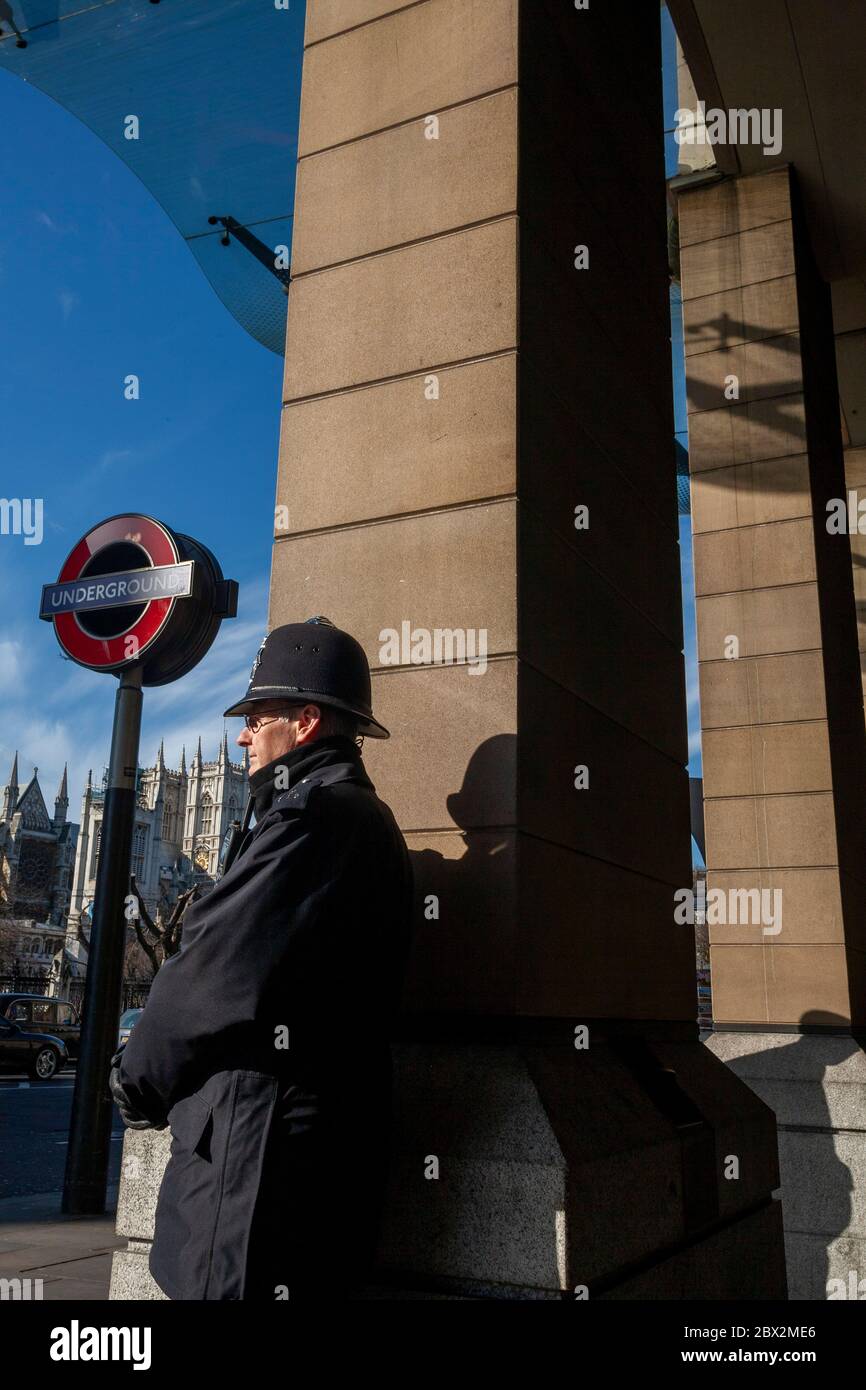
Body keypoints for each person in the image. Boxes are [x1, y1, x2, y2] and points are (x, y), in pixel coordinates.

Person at [109, 617, 414, 1301]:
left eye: (256, 718)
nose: (244, 735)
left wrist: (135, 1079)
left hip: (257, 1163)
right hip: (308, 1162)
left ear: (305, 722)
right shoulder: (365, 820)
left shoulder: (313, 818)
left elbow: (212, 965)